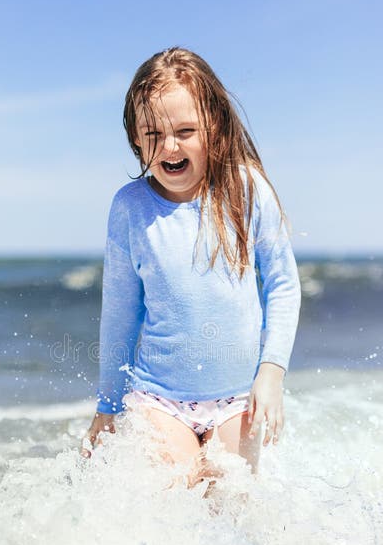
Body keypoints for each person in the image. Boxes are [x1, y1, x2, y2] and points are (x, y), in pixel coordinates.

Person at [82, 48, 300, 483]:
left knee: (230, 510)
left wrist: (271, 374)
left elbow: (282, 285)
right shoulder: (130, 208)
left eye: (185, 130)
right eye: (153, 134)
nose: (169, 146)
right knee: (168, 505)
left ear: (214, 128)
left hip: (240, 398)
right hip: (159, 398)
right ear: (134, 138)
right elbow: (121, 312)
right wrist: (107, 407)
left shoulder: (246, 189)